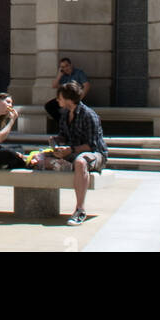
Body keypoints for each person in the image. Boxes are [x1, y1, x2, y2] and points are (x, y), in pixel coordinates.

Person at [50, 82, 108, 226]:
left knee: (80, 162)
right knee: (41, 157)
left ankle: (80, 210)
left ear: (67, 98)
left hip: (95, 154)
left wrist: (71, 150)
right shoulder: (64, 114)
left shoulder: (89, 115)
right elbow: (64, 136)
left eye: (59, 97)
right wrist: (56, 141)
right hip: (74, 151)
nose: (57, 100)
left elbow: (91, 145)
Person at [43, 56, 90, 128]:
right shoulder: (63, 75)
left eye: (67, 66)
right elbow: (54, 85)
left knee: (69, 109)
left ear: (71, 65)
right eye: (63, 67)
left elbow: (87, 86)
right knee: (48, 106)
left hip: (75, 98)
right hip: (65, 99)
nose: (65, 68)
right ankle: (62, 124)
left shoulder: (79, 73)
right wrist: (59, 74)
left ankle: (70, 125)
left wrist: (79, 98)